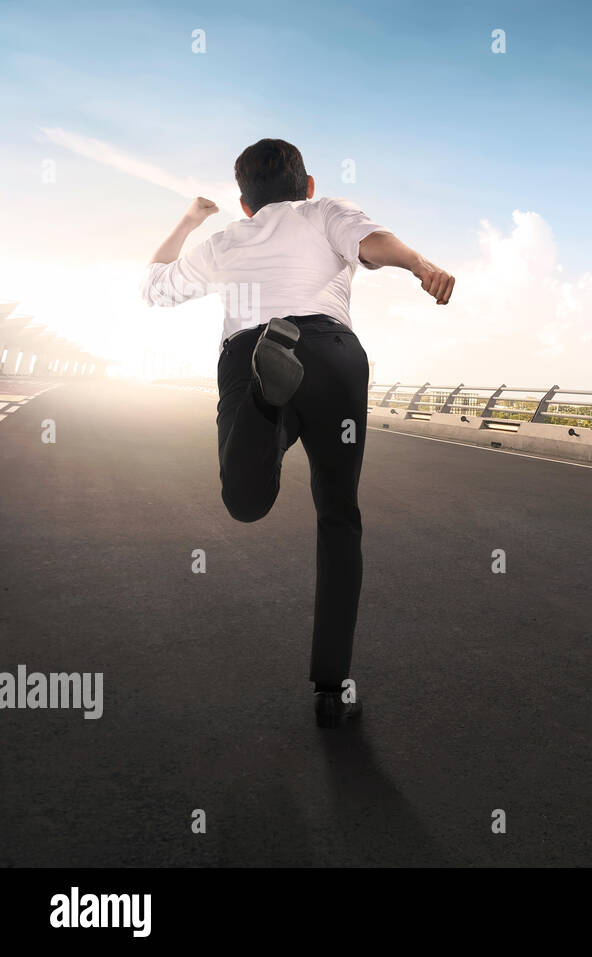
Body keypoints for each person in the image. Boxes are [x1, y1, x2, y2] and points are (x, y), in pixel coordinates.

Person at [141, 138, 454, 727]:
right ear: (306, 186)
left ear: (243, 203)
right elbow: (374, 243)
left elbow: (154, 284)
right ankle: (331, 686)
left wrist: (188, 219)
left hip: (253, 350)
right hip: (334, 356)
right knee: (339, 516)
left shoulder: (225, 240)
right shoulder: (326, 211)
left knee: (246, 500)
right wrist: (422, 266)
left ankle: (266, 398)